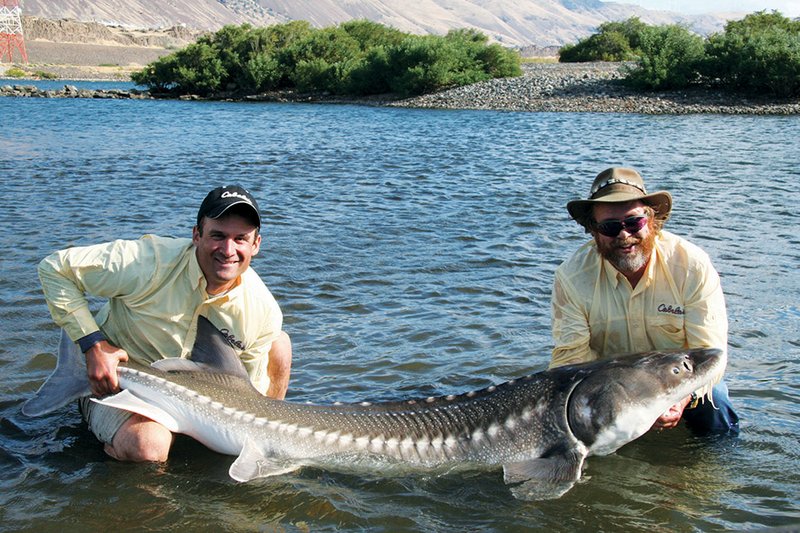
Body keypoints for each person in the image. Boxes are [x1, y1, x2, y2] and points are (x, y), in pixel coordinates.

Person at [38, 185, 293, 461]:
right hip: (116, 381)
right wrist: (92, 345)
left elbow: (249, 391)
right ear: (197, 235)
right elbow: (55, 269)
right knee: (148, 445)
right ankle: (108, 443)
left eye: (240, 239)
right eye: (217, 235)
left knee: (279, 344)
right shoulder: (149, 263)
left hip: (196, 398)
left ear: (256, 244)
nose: (228, 250)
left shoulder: (262, 309)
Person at [551, 167, 738, 434]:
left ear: (651, 221)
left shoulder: (691, 266)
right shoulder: (571, 277)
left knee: (716, 402)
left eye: (633, 222)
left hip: (678, 383)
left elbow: (709, 353)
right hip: (611, 389)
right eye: (610, 227)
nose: (624, 235)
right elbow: (570, 363)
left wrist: (681, 399)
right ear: (593, 231)